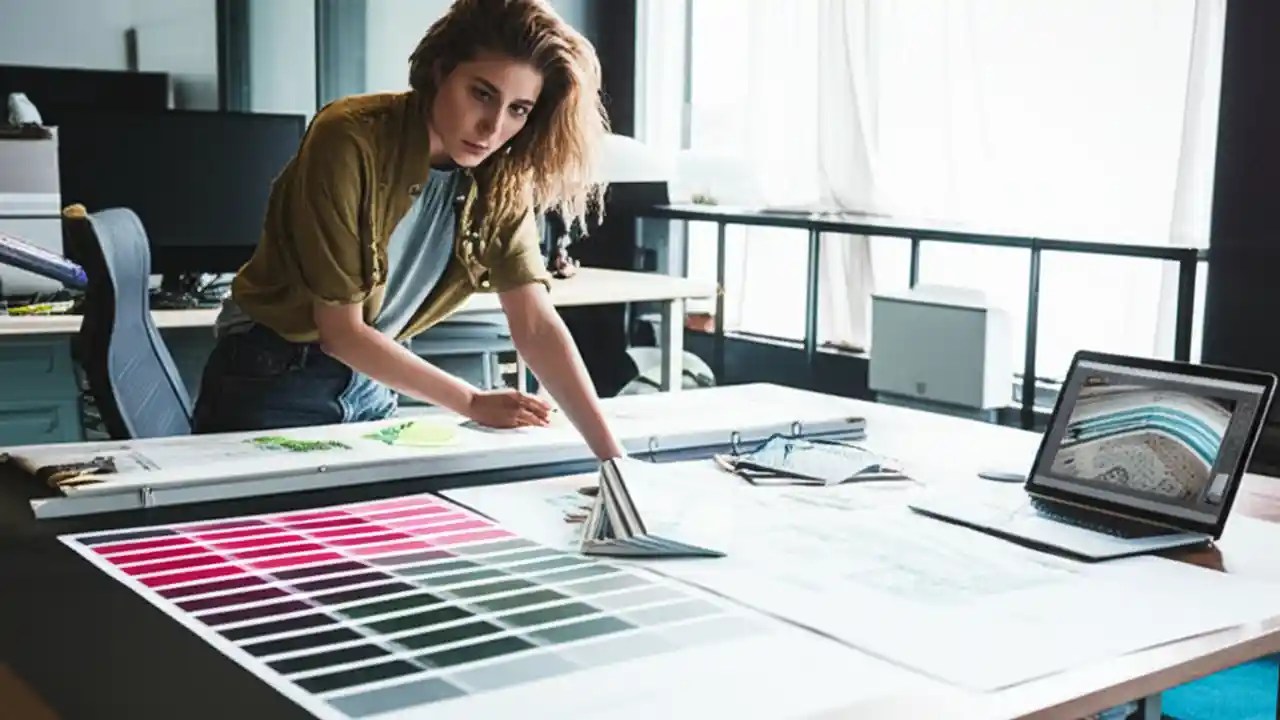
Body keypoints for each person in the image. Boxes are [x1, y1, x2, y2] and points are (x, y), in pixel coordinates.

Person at [191, 0, 624, 461]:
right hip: (271, 377)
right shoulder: (349, 137)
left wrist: (615, 462)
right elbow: (340, 331)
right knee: (264, 532)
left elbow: (534, 323)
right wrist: (471, 402)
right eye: (482, 94)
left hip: (373, 384)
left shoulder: (501, 174)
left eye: (518, 109)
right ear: (441, 71)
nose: (493, 128)